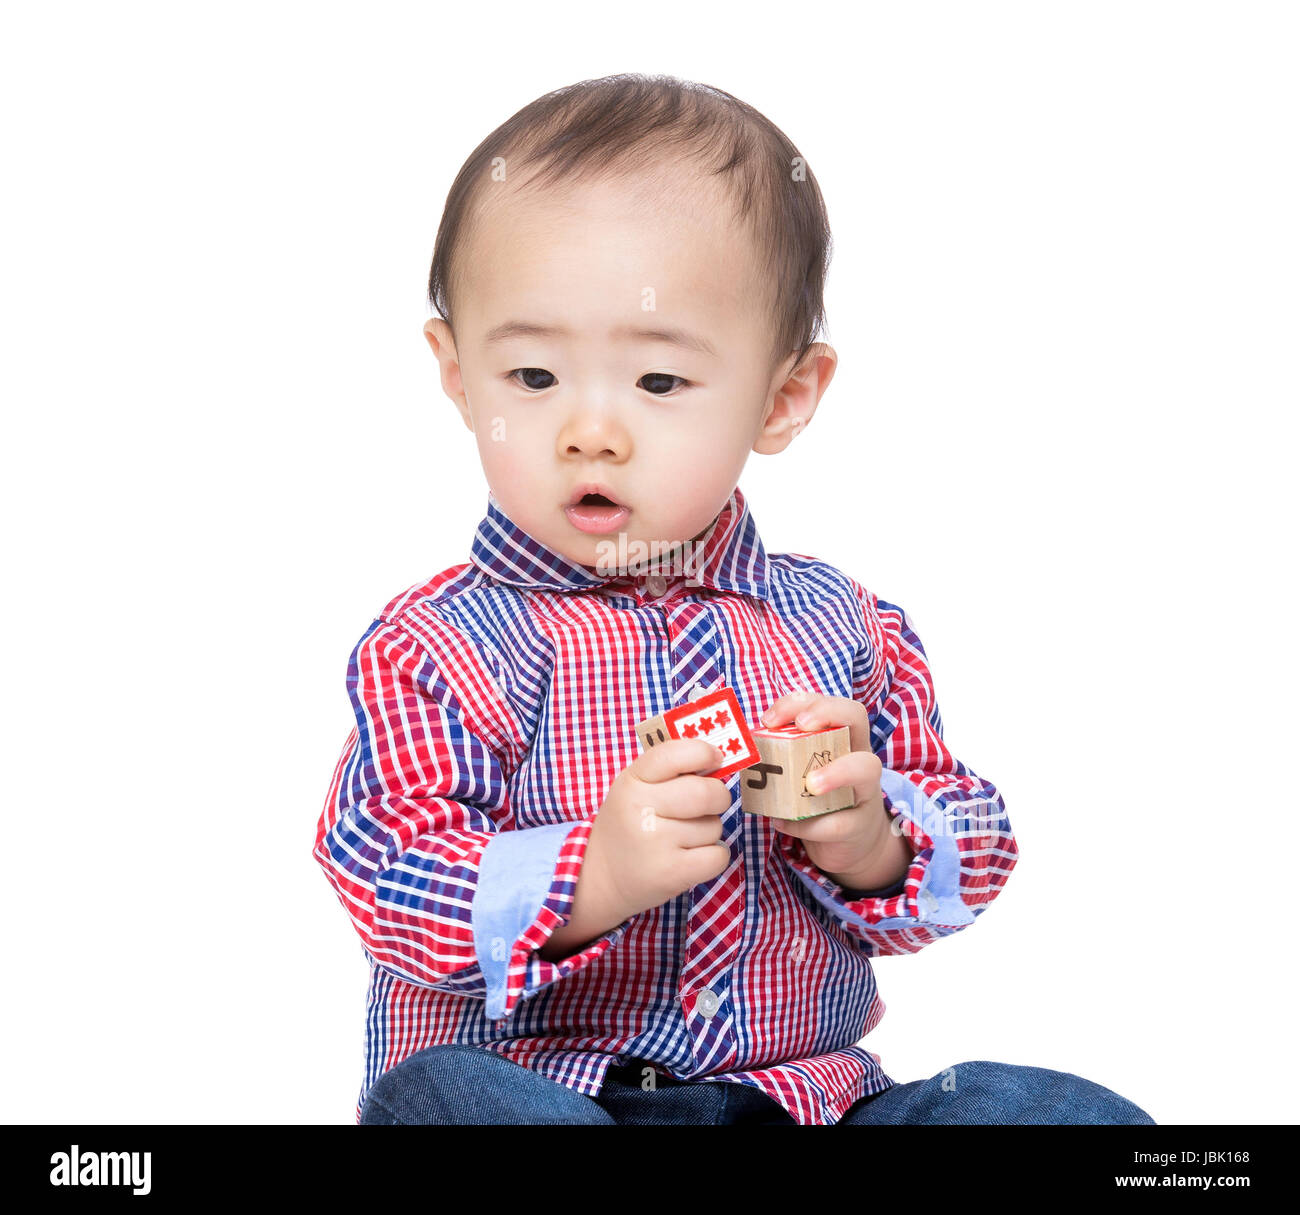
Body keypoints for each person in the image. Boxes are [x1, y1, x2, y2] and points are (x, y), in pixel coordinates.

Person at [313, 72, 1154, 1126]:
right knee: (439, 1100)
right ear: (457, 375)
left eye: (658, 384)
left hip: (803, 1102)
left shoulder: (845, 628)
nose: (590, 431)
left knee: (1064, 1122)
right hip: (560, 1093)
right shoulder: (438, 646)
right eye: (531, 377)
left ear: (784, 395)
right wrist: (592, 877)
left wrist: (871, 835)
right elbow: (384, 879)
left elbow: (976, 849)